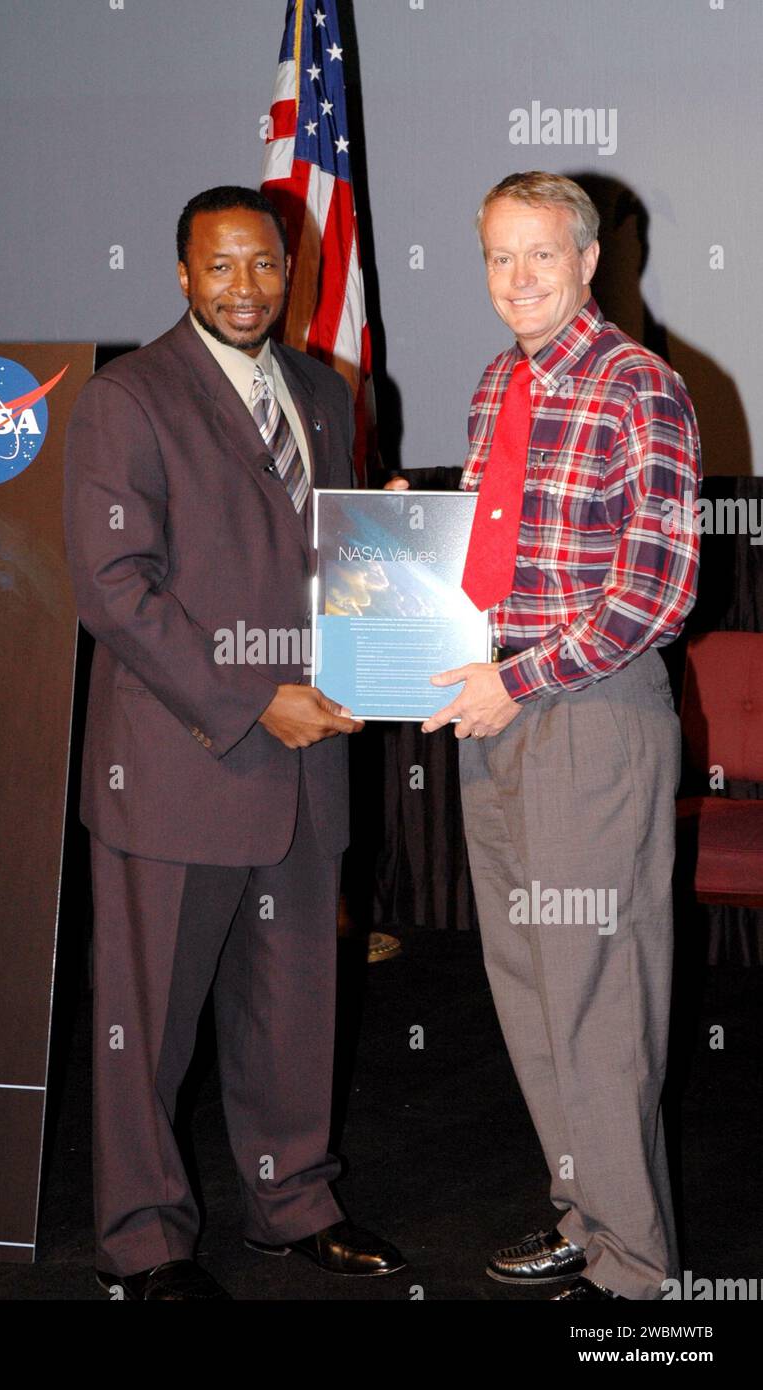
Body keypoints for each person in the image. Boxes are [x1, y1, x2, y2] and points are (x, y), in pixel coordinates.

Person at [63, 185, 405, 1300]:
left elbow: (321, 561)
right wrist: (257, 699)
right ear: (182, 275)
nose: (246, 288)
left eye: (263, 265)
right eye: (221, 268)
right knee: (146, 1030)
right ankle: (146, 1240)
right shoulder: (129, 398)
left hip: (309, 764)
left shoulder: (320, 385)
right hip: (180, 764)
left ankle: (292, 1201)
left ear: (288, 267)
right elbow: (117, 592)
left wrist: (385, 543)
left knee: (296, 1003)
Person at [423, 172, 701, 1301]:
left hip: (589, 719)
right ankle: (584, 1219)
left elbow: (660, 590)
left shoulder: (643, 388)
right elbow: (503, 565)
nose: (519, 278)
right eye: (499, 257)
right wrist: (408, 546)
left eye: (542, 254)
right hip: (500, 717)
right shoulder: (500, 383)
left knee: (599, 1000)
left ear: (589, 262)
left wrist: (518, 679)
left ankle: (637, 1275)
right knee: (534, 993)